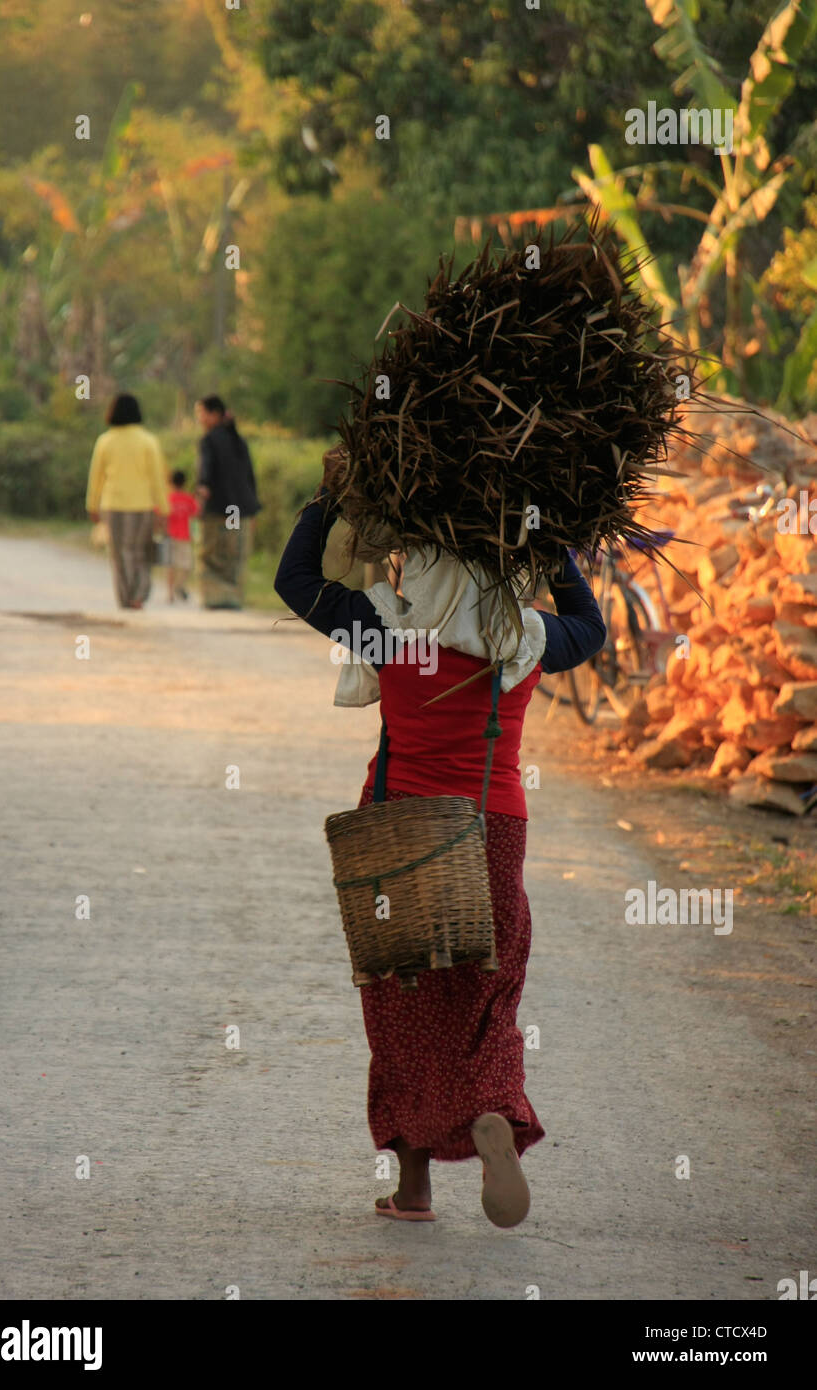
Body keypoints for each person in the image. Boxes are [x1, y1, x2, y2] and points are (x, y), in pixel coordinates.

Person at [274, 449, 606, 1228]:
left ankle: (414, 1187)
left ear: (417, 560)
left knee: (403, 1005)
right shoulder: (522, 636)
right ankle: (491, 1113)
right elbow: (590, 625)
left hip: (402, 832)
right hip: (493, 832)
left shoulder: (389, 627)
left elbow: (295, 581)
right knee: (487, 995)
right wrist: (550, 541)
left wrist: (330, 497)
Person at [86, 394, 169, 610]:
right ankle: (139, 595)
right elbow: (157, 479)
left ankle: (125, 597)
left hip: (113, 505)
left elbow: (96, 477)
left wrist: (92, 505)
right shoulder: (148, 441)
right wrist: (164, 509)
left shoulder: (105, 441)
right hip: (142, 505)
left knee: (118, 553)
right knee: (140, 550)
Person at [194, 395, 261, 610]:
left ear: (214, 414)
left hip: (218, 507)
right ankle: (233, 597)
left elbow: (206, 470)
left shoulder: (209, 440)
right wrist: (253, 508)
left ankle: (214, 596)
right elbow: (249, 476)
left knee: (212, 551)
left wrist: (202, 487)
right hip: (237, 509)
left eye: (201, 413)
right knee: (235, 550)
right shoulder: (238, 440)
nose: (200, 419)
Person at [165, 469, 198, 602]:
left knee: (171, 566)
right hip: (184, 537)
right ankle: (177, 587)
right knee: (186, 565)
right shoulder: (188, 499)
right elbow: (196, 512)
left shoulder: (168, 498)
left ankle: (172, 592)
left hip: (171, 536)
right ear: (185, 482)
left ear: (171, 482)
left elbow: (161, 515)